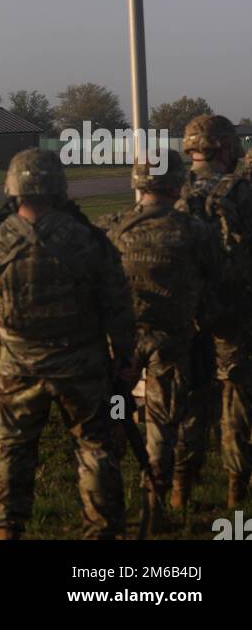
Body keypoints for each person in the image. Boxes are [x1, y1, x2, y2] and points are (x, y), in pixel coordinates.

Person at [0, 148, 134, 540]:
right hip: (81, 365)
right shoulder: (87, 239)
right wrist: (124, 358)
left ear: (12, 190)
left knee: (13, 449)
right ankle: (102, 528)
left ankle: (7, 528)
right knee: (94, 446)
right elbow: (117, 303)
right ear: (60, 189)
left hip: (17, 368)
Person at [99, 150, 219, 529]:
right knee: (163, 423)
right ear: (176, 183)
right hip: (171, 342)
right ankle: (155, 504)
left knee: (114, 413)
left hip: (120, 344)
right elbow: (220, 279)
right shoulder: (193, 230)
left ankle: (106, 503)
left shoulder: (111, 227)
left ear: (138, 181)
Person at [174, 115, 252, 509]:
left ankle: (179, 489)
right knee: (236, 397)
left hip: (183, 312)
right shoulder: (238, 190)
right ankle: (237, 491)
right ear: (222, 145)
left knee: (190, 398)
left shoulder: (168, 187)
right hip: (234, 312)